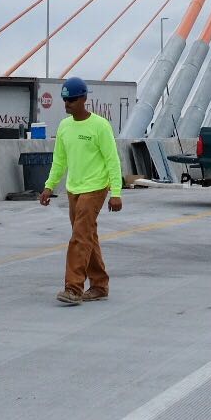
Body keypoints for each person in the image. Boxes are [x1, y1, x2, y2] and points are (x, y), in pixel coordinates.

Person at [38, 76, 123, 305]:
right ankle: (99, 285)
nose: (68, 104)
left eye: (73, 100)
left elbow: (112, 161)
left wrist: (116, 193)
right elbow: (59, 161)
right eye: (65, 101)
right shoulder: (65, 127)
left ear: (84, 99)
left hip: (95, 188)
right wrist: (48, 186)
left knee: (79, 238)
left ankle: (73, 288)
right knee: (87, 236)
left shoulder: (100, 126)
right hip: (73, 189)